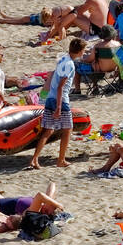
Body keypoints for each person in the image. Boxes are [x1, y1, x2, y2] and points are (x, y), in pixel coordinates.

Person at [28, 42, 77, 170]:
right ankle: (61, 160)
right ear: (79, 51)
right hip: (60, 100)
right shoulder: (69, 64)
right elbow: (61, 87)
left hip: (50, 98)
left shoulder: (63, 59)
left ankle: (34, 159)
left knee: (48, 130)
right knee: (68, 129)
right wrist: (59, 107)